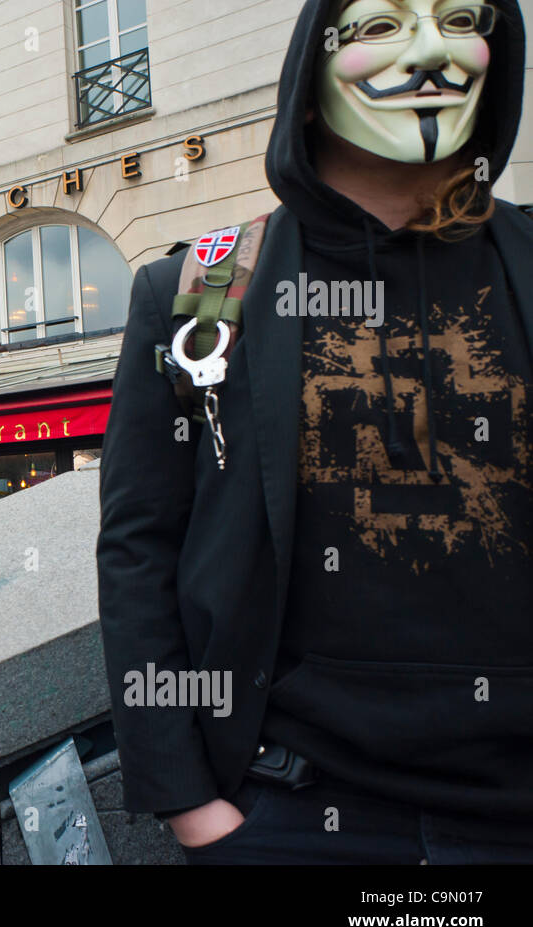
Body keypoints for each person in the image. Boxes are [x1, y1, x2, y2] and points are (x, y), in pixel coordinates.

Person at [98, 0, 532, 863]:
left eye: (461, 17)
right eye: (379, 24)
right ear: (309, 71)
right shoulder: (199, 292)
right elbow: (141, 547)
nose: (430, 51)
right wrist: (194, 807)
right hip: (291, 809)